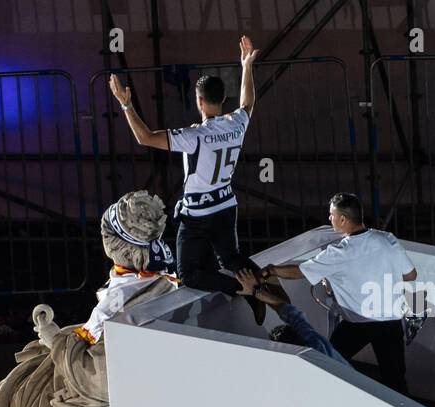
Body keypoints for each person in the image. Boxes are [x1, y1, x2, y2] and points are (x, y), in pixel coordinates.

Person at [109, 35, 266, 325]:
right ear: (222, 100)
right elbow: (248, 102)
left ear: (200, 101)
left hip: (197, 215)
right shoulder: (236, 123)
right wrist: (246, 67)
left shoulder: (195, 136)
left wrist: (126, 105)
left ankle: (245, 289)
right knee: (230, 258)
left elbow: (144, 137)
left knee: (190, 274)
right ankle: (264, 284)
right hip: (226, 205)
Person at [263, 192, 418, 394]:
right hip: (390, 323)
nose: (329, 219)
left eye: (331, 215)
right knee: (396, 383)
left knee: (326, 364)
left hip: (357, 324)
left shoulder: (338, 253)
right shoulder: (387, 239)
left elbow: (298, 272)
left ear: (343, 219)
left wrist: (272, 270)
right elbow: (411, 275)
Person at [34, 189, 178, 348]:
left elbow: (92, 365)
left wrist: (54, 341)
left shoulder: (115, 303)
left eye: (105, 233)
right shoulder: (164, 274)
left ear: (125, 251)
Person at [234, 268, 349, 367]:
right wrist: (255, 291)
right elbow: (293, 316)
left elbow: (294, 316)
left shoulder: (318, 348)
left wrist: (255, 290)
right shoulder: (319, 348)